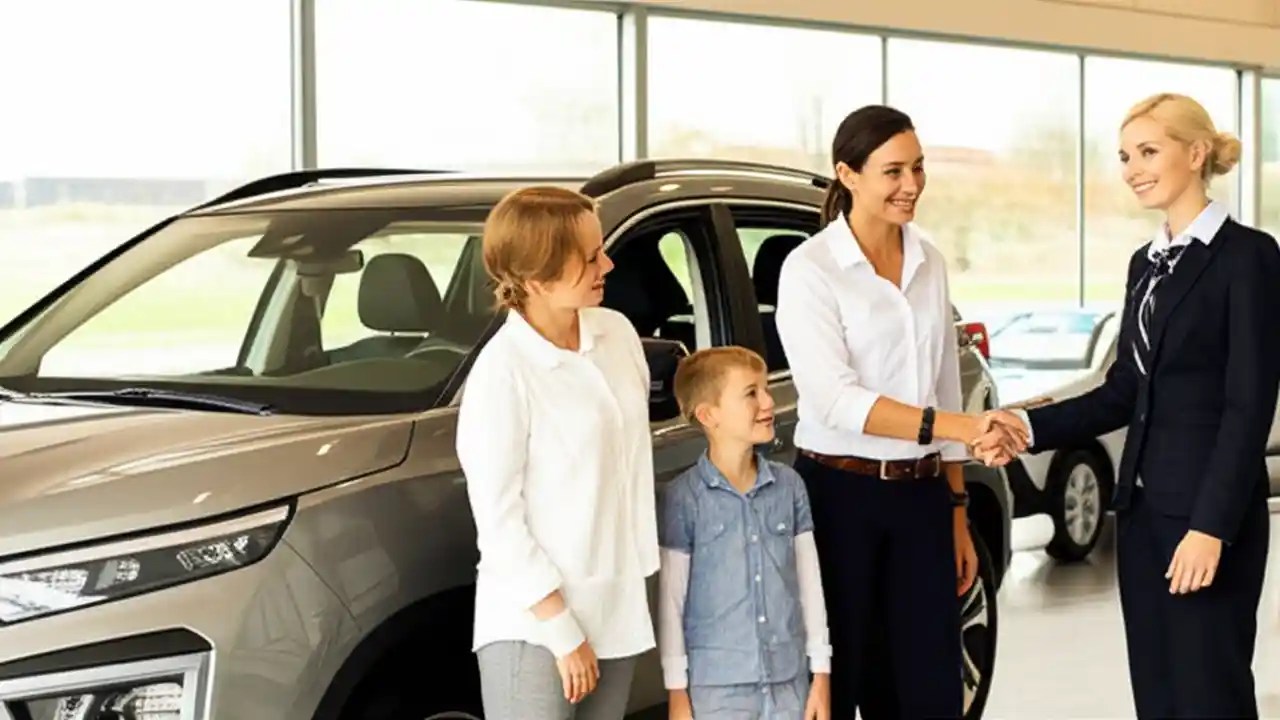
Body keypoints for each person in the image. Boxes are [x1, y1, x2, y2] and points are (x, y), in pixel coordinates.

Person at [983, 92, 1280, 719]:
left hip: (1207, 520)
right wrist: (1026, 426)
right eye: (1124, 156)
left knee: (1210, 696)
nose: (1132, 168)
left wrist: (1211, 527)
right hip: (1142, 517)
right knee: (1158, 695)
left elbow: (1248, 406)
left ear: (1195, 153)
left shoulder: (1248, 256)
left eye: (1148, 151)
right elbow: (1125, 390)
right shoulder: (1146, 263)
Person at [773, 104, 1008, 719]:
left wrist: (957, 509)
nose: (911, 186)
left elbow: (945, 387)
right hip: (838, 497)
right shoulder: (811, 271)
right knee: (841, 676)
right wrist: (955, 428)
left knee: (928, 691)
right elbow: (834, 398)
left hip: (924, 498)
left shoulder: (928, 259)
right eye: (893, 171)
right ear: (847, 175)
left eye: (919, 168)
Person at [456, 186, 660, 720]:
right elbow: (499, 522)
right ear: (535, 277)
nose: (608, 264)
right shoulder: (502, 373)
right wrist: (561, 629)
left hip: (616, 608)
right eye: (590, 257)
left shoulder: (616, 334)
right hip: (534, 625)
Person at [657, 346, 833, 720]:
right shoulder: (684, 498)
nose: (769, 401)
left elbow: (809, 585)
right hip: (717, 692)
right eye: (751, 393)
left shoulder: (789, 486)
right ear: (709, 415)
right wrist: (677, 693)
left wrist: (820, 675)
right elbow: (672, 602)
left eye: (766, 388)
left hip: (789, 684)